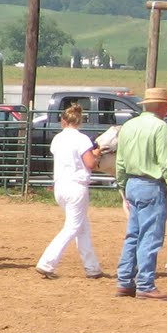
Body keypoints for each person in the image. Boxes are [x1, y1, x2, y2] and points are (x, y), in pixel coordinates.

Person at [113, 87, 167, 300]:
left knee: (133, 235)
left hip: (132, 184)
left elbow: (120, 161)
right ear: (162, 107)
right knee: (151, 236)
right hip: (151, 185)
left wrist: (122, 185)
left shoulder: (128, 126)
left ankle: (125, 280)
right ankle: (145, 283)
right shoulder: (160, 127)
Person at [35, 104, 102, 279]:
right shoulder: (82, 139)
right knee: (72, 227)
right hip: (76, 186)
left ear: (63, 121)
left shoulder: (57, 139)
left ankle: (92, 267)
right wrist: (96, 154)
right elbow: (90, 164)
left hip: (61, 186)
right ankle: (47, 262)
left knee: (82, 227)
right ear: (79, 121)